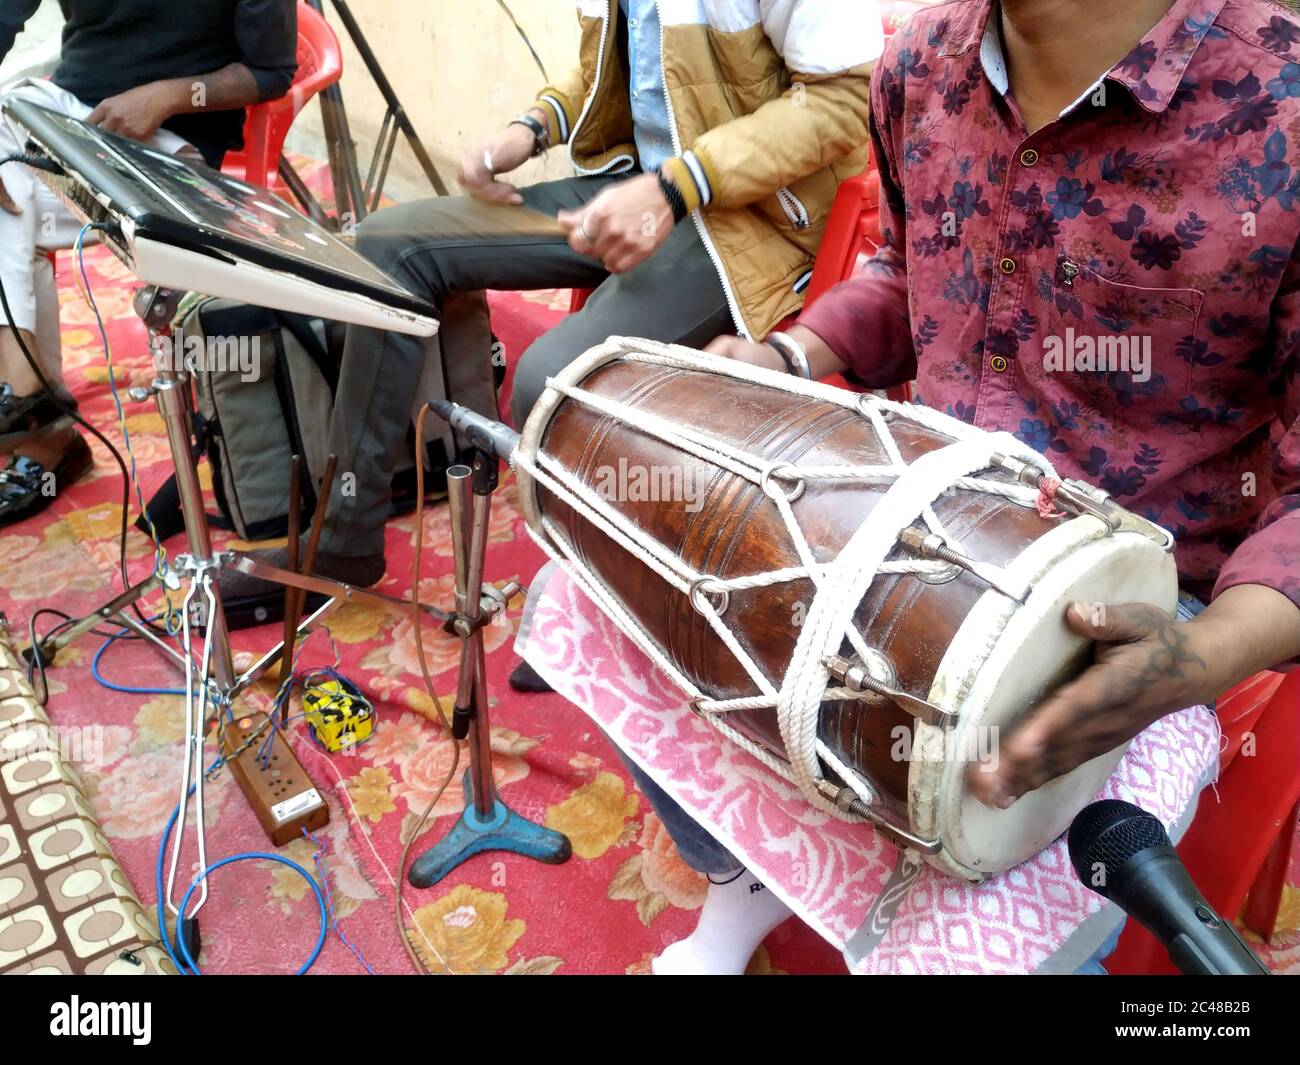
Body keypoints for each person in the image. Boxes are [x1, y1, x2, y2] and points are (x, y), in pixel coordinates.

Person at [650, 0, 1300, 973]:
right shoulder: (916, 59)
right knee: (626, 588)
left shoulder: (1278, 106)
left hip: (1147, 599)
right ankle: (743, 872)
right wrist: (791, 352)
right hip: (919, 505)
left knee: (988, 906)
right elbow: (904, 278)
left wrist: (1192, 659)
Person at [217, 0, 886, 624]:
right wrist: (530, 128)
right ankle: (342, 539)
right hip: (630, 185)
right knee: (389, 247)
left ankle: (603, 607)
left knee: (549, 385)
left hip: (750, 220)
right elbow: (613, 74)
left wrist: (676, 187)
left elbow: (847, 99)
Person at [0, 0, 298, 526]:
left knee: (10, 219)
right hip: (68, 108)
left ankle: (39, 428)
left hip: (170, 138)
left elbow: (271, 71)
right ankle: (31, 400)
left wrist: (166, 97)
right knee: (4, 185)